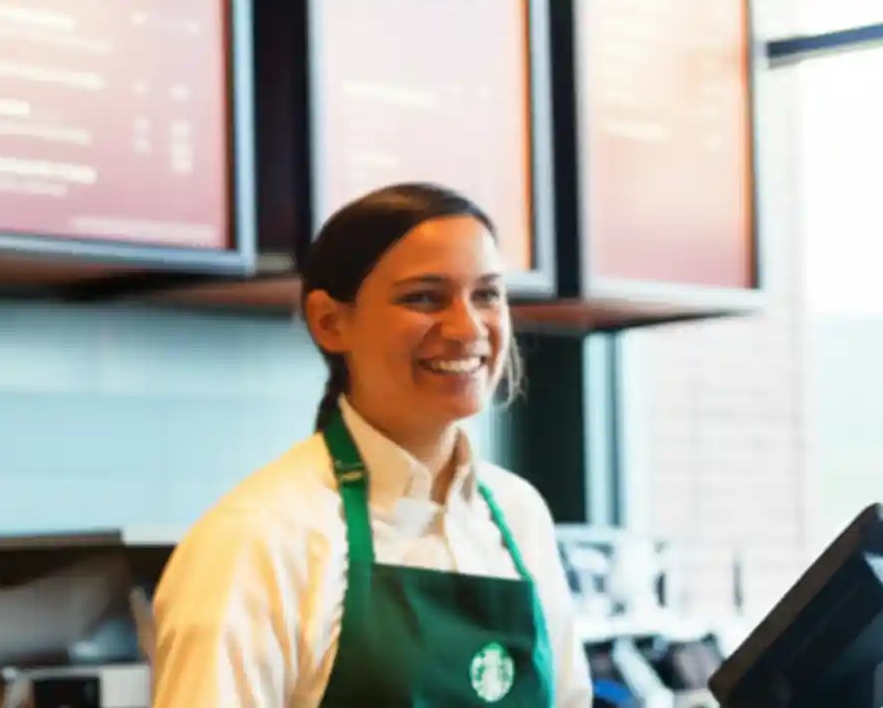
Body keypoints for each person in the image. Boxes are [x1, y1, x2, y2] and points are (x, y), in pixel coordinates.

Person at [149, 182, 593, 706]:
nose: (467, 327)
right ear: (330, 321)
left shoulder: (519, 515)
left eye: (487, 295)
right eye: (424, 297)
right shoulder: (260, 538)